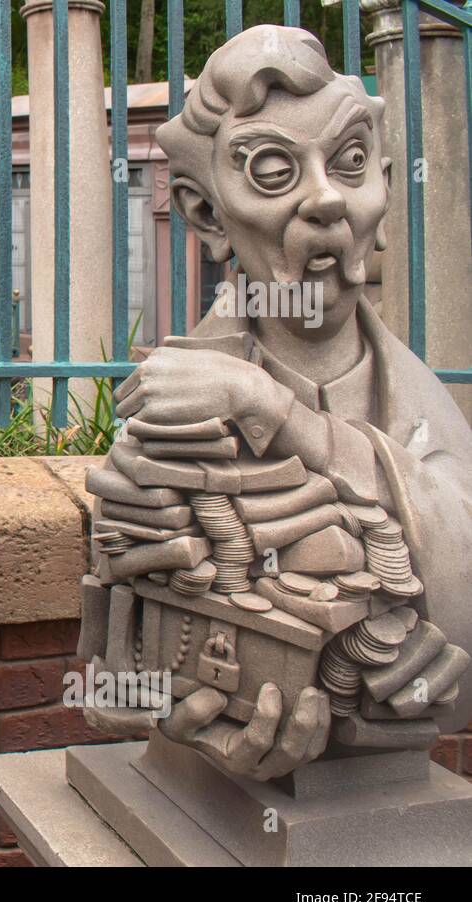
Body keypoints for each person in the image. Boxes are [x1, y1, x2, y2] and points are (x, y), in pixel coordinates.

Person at [84, 26, 471, 779]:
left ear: (386, 185)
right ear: (203, 214)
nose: (326, 198)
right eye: (272, 170)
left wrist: (275, 412)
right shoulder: (170, 418)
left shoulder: (425, 408)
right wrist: (150, 701)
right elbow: (114, 658)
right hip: (206, 803)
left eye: (351, 163)